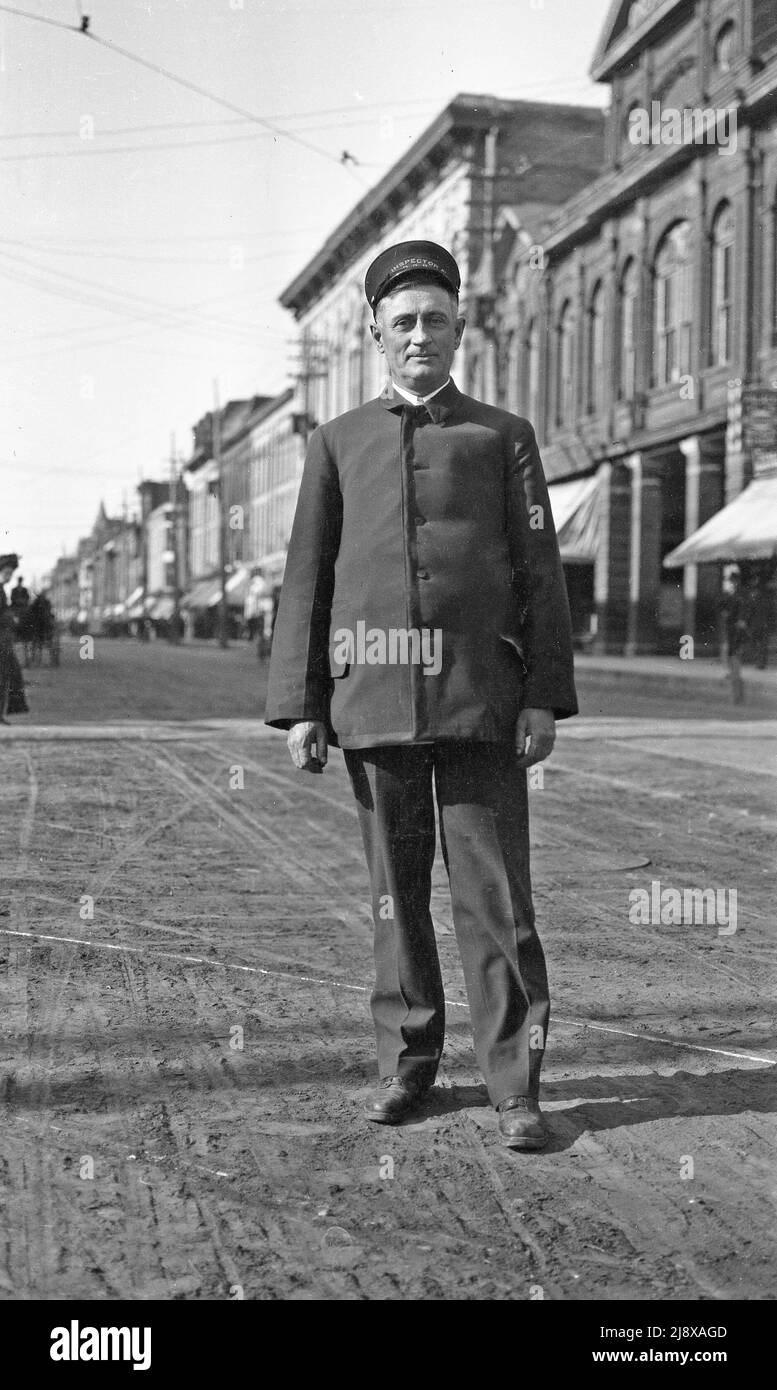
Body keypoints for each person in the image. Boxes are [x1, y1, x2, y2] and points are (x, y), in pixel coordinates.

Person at [265, 241, 577, 1151]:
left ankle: (513, 1085)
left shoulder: (502, 437)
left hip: (482, 700)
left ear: (458, 330)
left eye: (434, 320)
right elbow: (305, 578)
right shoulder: (338, 442)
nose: (418, 337)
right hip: (373, 704)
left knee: (495, 900)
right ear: (374, 335)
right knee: (394, 898)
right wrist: (303, 704)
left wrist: (542, 696)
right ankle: (406, 1067)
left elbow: (539, 574)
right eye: (401, 323)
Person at [0, 554, 29, 722]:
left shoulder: (2, 589)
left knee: (8, 675)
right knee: (7, 674)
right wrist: (10, 617)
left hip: (3, 639)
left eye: (11, 572)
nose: (9, 575)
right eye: (7, 571)